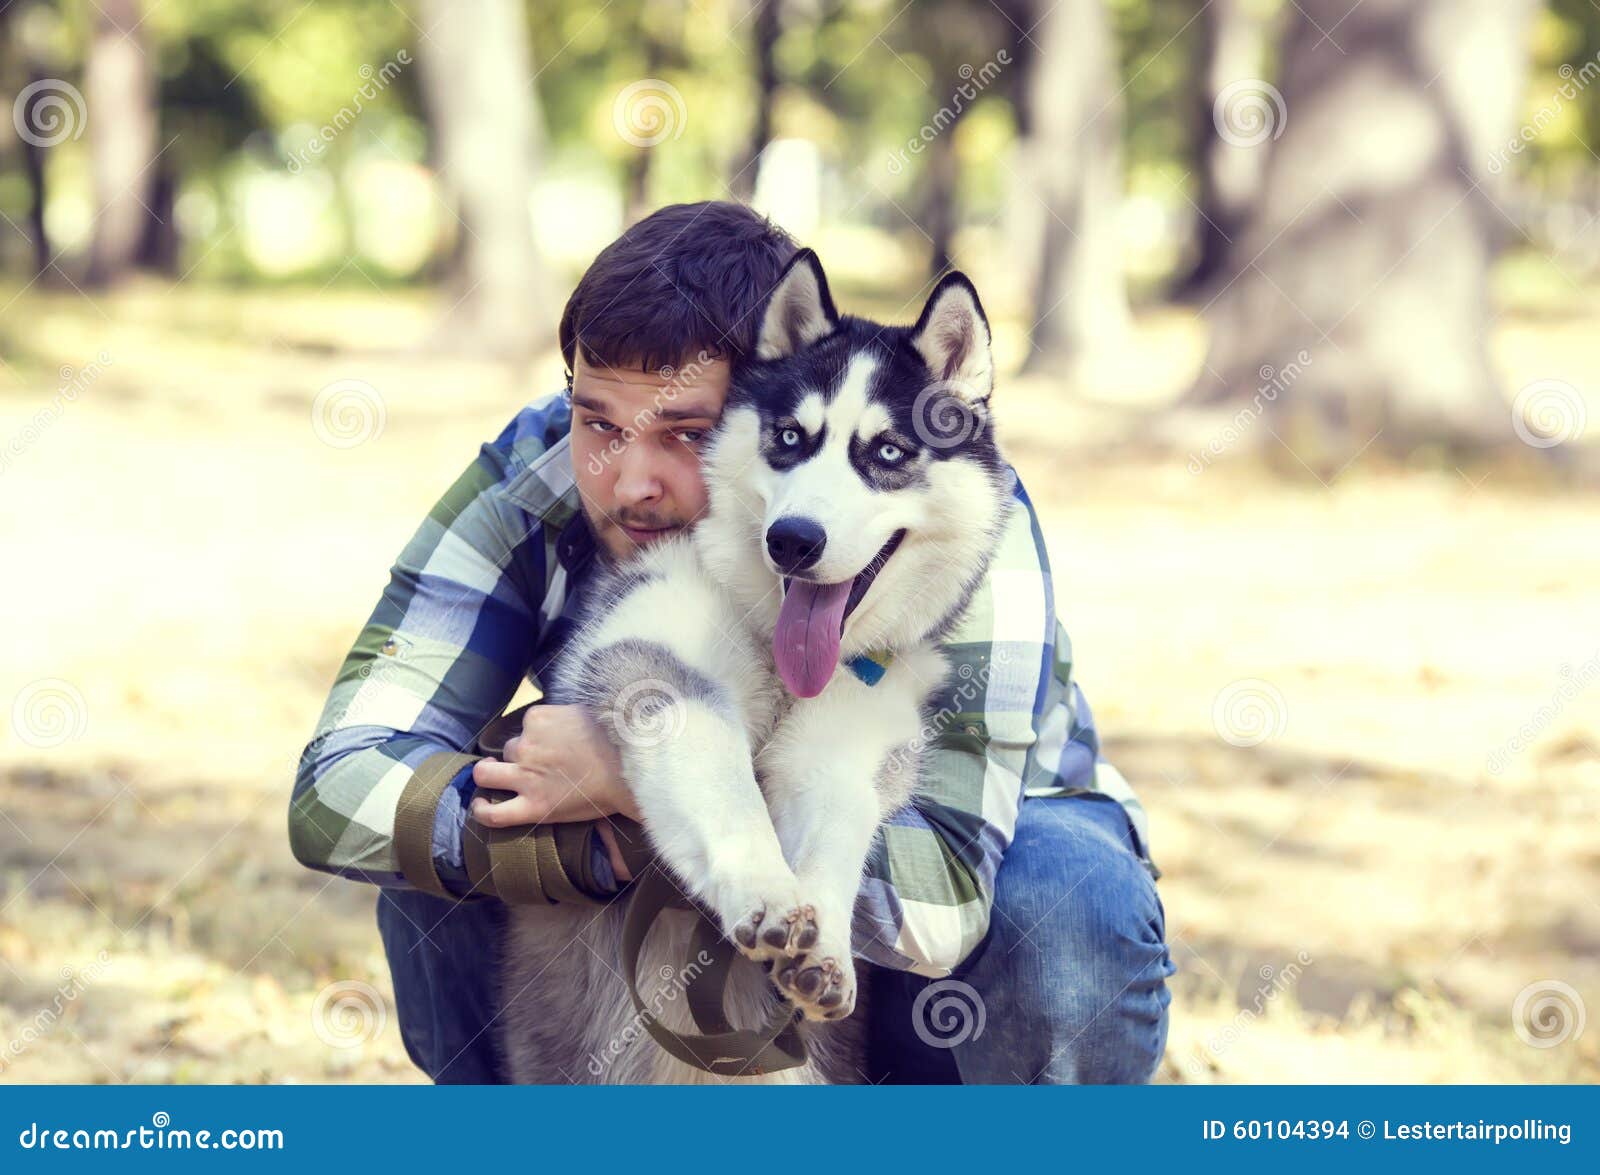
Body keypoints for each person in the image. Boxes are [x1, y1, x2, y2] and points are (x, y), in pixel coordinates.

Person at [288, 199, 1174, 1084]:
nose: (630, 480)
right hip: (659, 926)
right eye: (598, 421)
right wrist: (600, 816)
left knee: (1068, 907)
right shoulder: (537, 473)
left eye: (685, 433)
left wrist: (631, 789)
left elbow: (943, 906)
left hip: (958, 880)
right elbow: (340, 786)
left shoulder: (948, 520)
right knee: (443, 825)